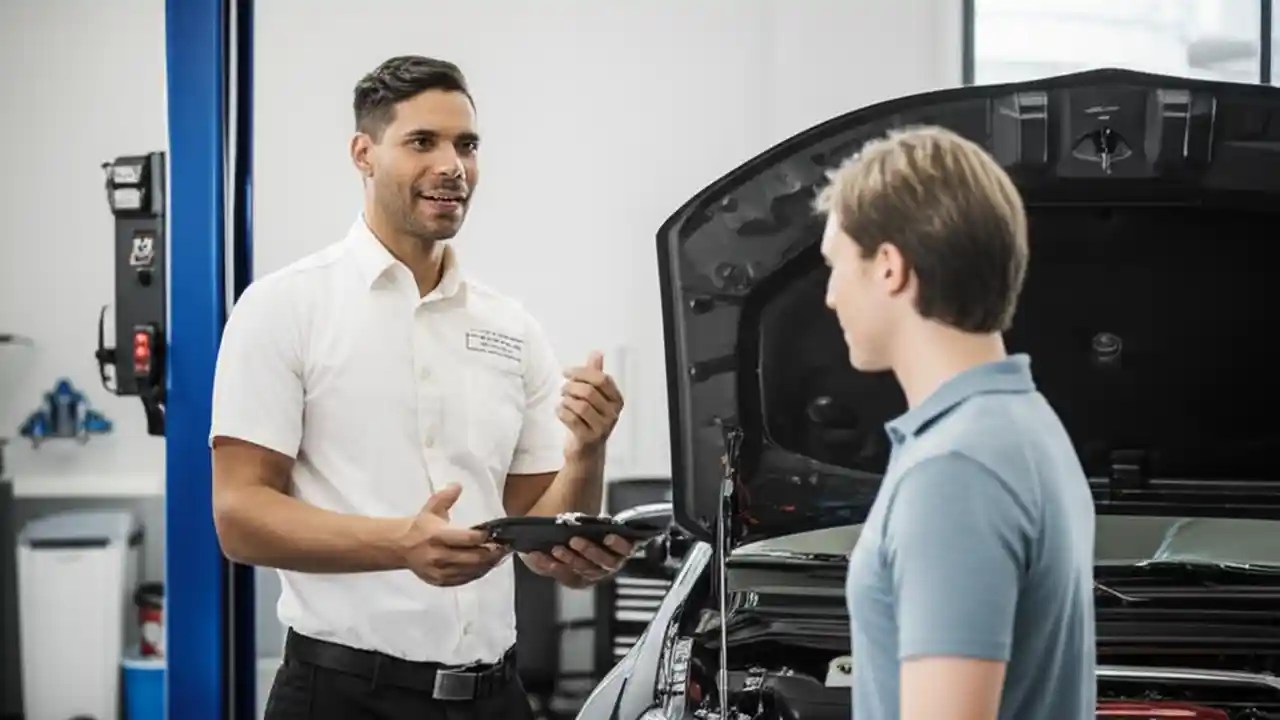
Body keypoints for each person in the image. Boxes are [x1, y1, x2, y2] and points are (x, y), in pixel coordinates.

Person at [208, 55, 634, 720]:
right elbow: (239, 518)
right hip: (342, 698)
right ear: (364, 153)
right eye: (422, 142)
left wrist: (587, 450)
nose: (453, 166)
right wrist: (398, 544)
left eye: (466, 145)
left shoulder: (510, 327)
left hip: (495, 698)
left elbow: (545, 542)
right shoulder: (284, 307)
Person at [813, 126, 1096, 720]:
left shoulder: (954, 472)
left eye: (835, 266)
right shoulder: (1023, 425)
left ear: (888, 267)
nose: (830, 297)